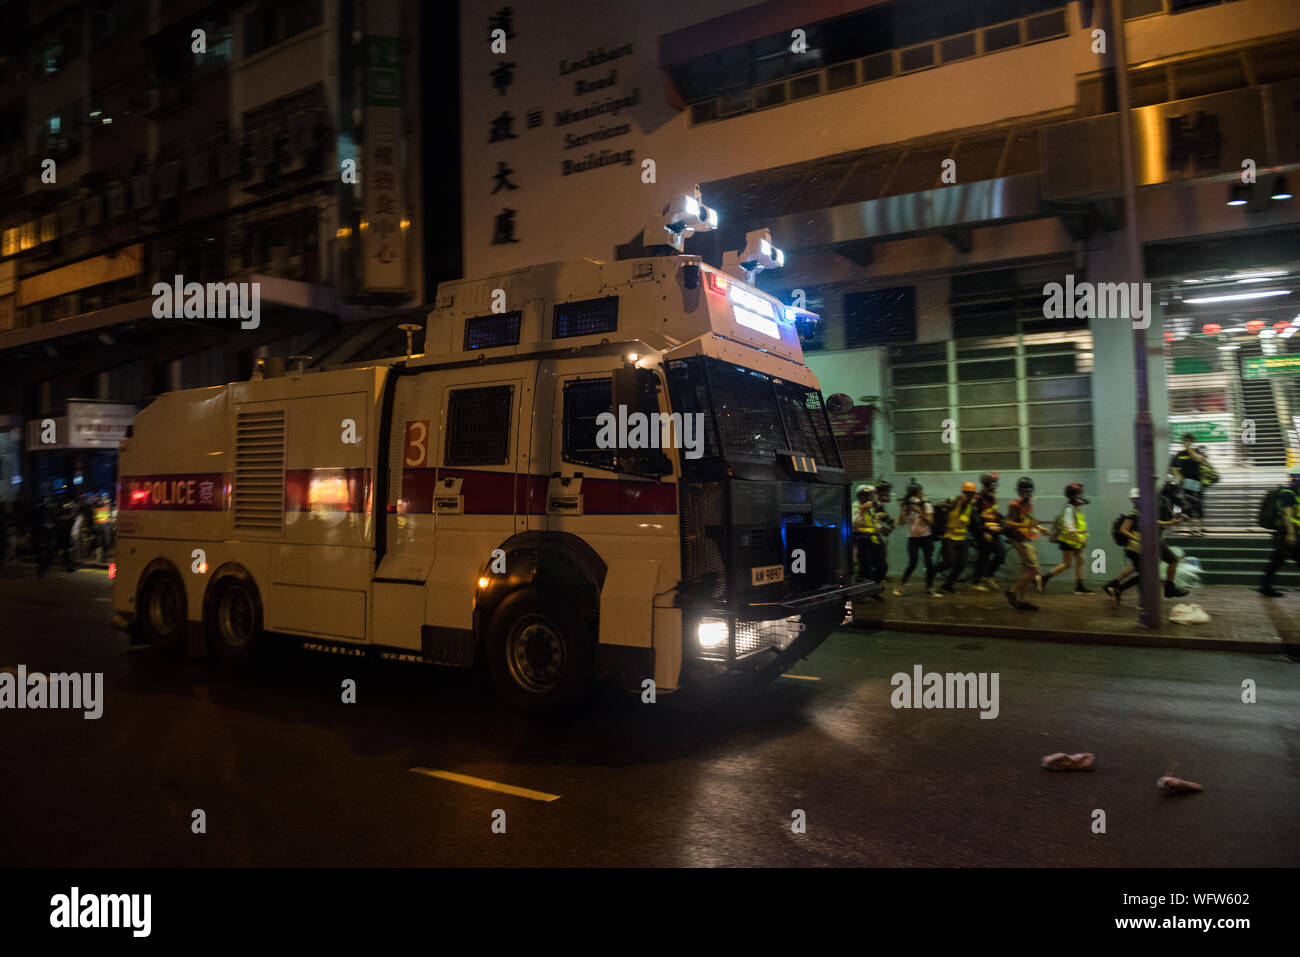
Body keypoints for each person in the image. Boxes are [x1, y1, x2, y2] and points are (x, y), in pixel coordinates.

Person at [1104, 482, 1189, 604]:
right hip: (1142, 545)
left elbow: (1156, 522)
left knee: (1141, 571)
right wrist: (1135, 538)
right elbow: (1124, 529)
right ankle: (1143, 598)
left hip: (1141, 546)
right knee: (1147, 573)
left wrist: (1171, 523)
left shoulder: (1144, 511)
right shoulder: (1137, 513)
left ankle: (1115, 586)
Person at [1002, 477, 1048, 611]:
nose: (1026, 493)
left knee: (1027, 570)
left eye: (1028, 490)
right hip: (1019, 540)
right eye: (1024, 490)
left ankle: (1022, 600)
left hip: (1027, 538)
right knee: (1034, 569)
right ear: (1019, 491)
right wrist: (1024, 525)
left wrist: (1039, 528)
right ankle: (1012, 591)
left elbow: (1030, 520)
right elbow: (1008, 522)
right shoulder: (1014, 505)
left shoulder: (1028, 504)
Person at [1040, 482, 1090, 594]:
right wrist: (1079, 537)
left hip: (1074, 540)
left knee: (1080, 560)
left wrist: (1082, 536)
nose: (1081, 496)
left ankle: (1079, 585)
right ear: (1073, 495)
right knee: (1067, 564)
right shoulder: (1069, 508)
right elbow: (1068, 526)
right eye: (1079, 494)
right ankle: (1044, 578)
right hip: (1068, 540)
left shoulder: (1074, 507)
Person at [930, 481, 978, 594]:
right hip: (949, 538)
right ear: (962, 493)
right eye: (967, 493)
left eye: (971, 494)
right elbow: (938, 508)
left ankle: (948, 585)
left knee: (961, 564)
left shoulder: (971, 507)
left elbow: (972, 522)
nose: (969, 496)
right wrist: (944, 507)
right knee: (949, 562)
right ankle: (931, 572)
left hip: (962, 539)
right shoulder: (953, 501)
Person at [1258, 469, 1300, 597]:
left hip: (1293, 532)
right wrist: (1291, 534)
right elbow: (1287, 515)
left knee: (1277, 560)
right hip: (1288, 532)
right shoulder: (1288, 493)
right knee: (1277, 560)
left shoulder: (1295, 492)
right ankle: (1265, 587)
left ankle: (1265, 587)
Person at [895, 478, 938, 597]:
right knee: (912, 563)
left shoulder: (926, 505)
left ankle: (929, 587)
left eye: (919, 493)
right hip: (913, 538)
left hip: (926, 537)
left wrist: (920, 511)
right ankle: (901, 585)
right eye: (916, 493)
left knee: (929, 563)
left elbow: (931, 522)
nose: (918, 495)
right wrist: (903, 511)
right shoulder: (907, 507)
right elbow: (900, 523)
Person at [970, 472, 1005, 592]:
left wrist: (1001, 524)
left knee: (1001, 554)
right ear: (986, 485)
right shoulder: (977, 499)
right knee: (984, 556)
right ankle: (975, 582)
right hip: (981, 531)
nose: (994, 489)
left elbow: (994, 514)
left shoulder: (992, 498)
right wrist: (984, 531)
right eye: (992, 486)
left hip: (992, 530)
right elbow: (975, 518)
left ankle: (987, 577)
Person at [1169, 433, 1207, 536]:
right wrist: (1178, 476)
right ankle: (1191, 529)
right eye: (1185, 440)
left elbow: (1199, 459)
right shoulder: (1179, 454)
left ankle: (1200, 530)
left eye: (1188, 440)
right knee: (1187, 507)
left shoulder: (1196, 451)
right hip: (1185, 484)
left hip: (1197, 483)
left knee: (1198, 506)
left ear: (1192, 442)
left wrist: (1189, 448)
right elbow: (1173, 467)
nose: (1186, 442)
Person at [852, 486, 885, 598]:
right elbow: (853, 524)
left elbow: (875, 524)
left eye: (869, 495)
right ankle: (861, 593)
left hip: (874, 539)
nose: (868, 497)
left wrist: (881, 524)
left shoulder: (871, 508)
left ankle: (872, 588)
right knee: (864, 567)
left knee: (882, 566)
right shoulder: (855, 507)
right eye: (865, 495)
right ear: (859, 496)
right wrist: (862, 511)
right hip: (862, 540)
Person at [872, 480, 896, 583]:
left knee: (882, 552)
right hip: (869, 533)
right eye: (887, 491)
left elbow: (883, 515)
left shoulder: (878, 501)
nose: (888, 493)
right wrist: (885, 528)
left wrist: (891, 524)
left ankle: (880, 575)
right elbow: (874, 518)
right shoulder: (873, 501)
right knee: (878, 558)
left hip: (875, 531)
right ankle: (874, 579)